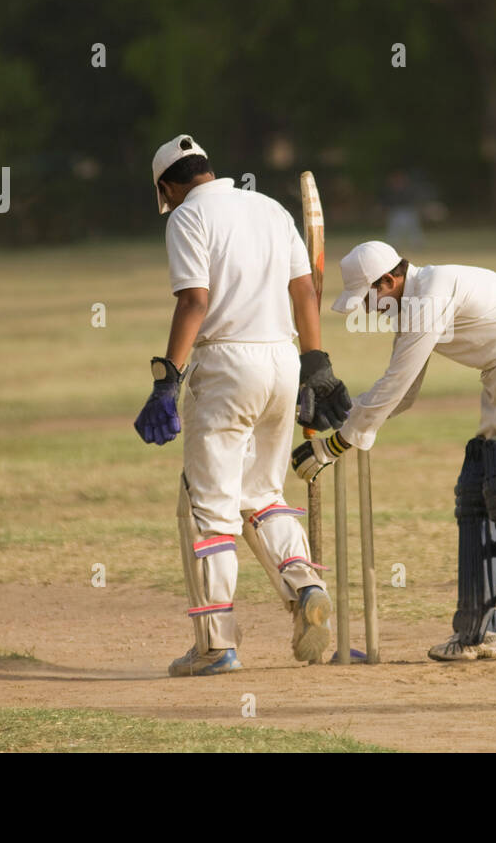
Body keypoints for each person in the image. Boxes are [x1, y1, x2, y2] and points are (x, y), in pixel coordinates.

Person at [291, 241, 496, 660]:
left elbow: (397, 381)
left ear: (389, 281)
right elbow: (403, 394)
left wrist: (337, 443)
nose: (369, 311)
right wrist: (344, 421)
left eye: (370, 300)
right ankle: (482, 630)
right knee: (487, 489)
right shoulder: (414, 305)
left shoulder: (431, 294)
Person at [134, 134, 351, 676]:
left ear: (168, 186)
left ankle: (216, 645)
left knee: (208, 509)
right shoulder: (270, 209)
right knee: (262, 494)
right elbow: (304, 292)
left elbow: (195, 300)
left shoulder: (186, 218)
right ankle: (306, 588)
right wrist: (315, 362)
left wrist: (168, 379)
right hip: (282, 361)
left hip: (227, 364)